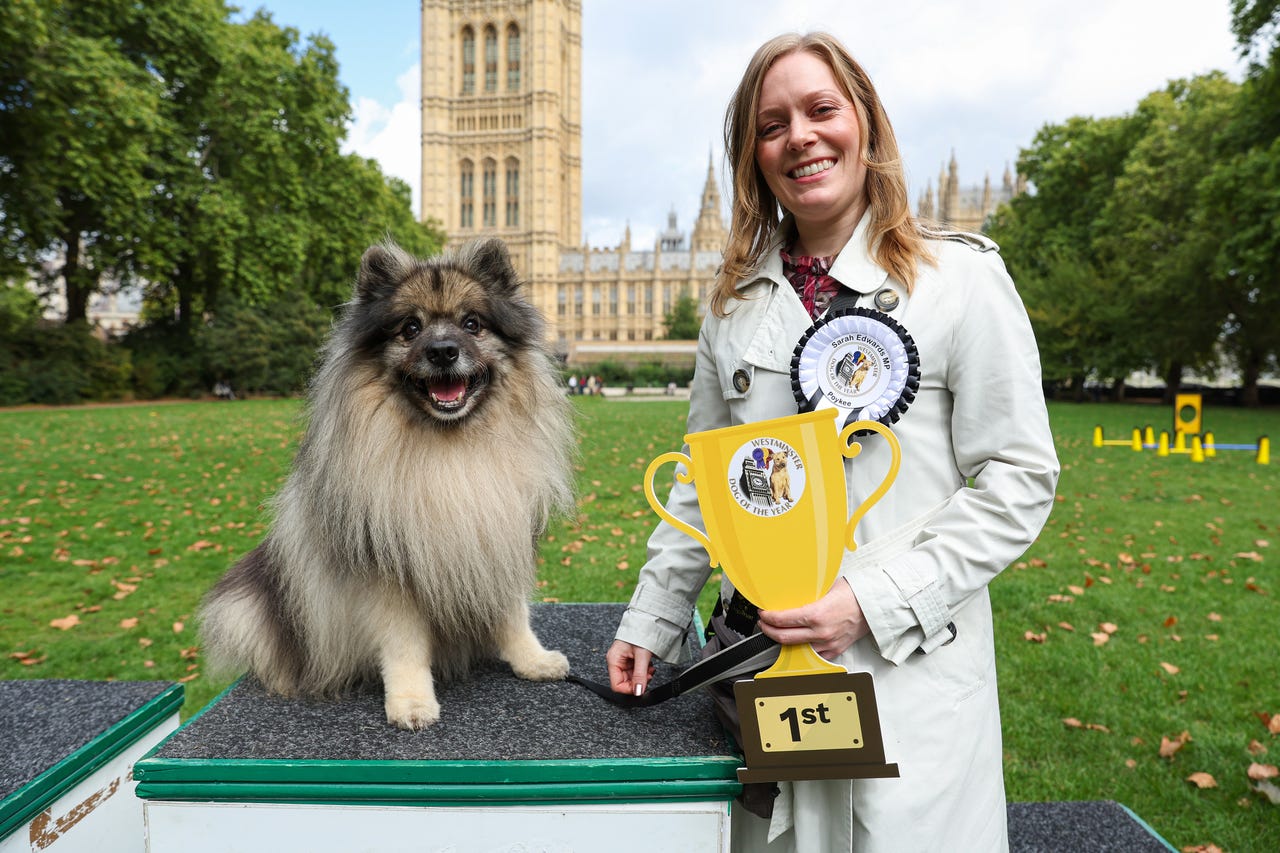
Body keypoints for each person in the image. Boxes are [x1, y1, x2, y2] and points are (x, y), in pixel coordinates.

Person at [605, 32, 1059, 852]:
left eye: (821, 110)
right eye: (772, 125)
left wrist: (873, 602)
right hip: (765, 670)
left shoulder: (959, 280)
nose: (800, 138)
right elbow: (707, 480)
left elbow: (1019, 478)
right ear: (753, 154)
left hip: (909, 670)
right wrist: (655, 614)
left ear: (866, 122)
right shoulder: (734, 305)